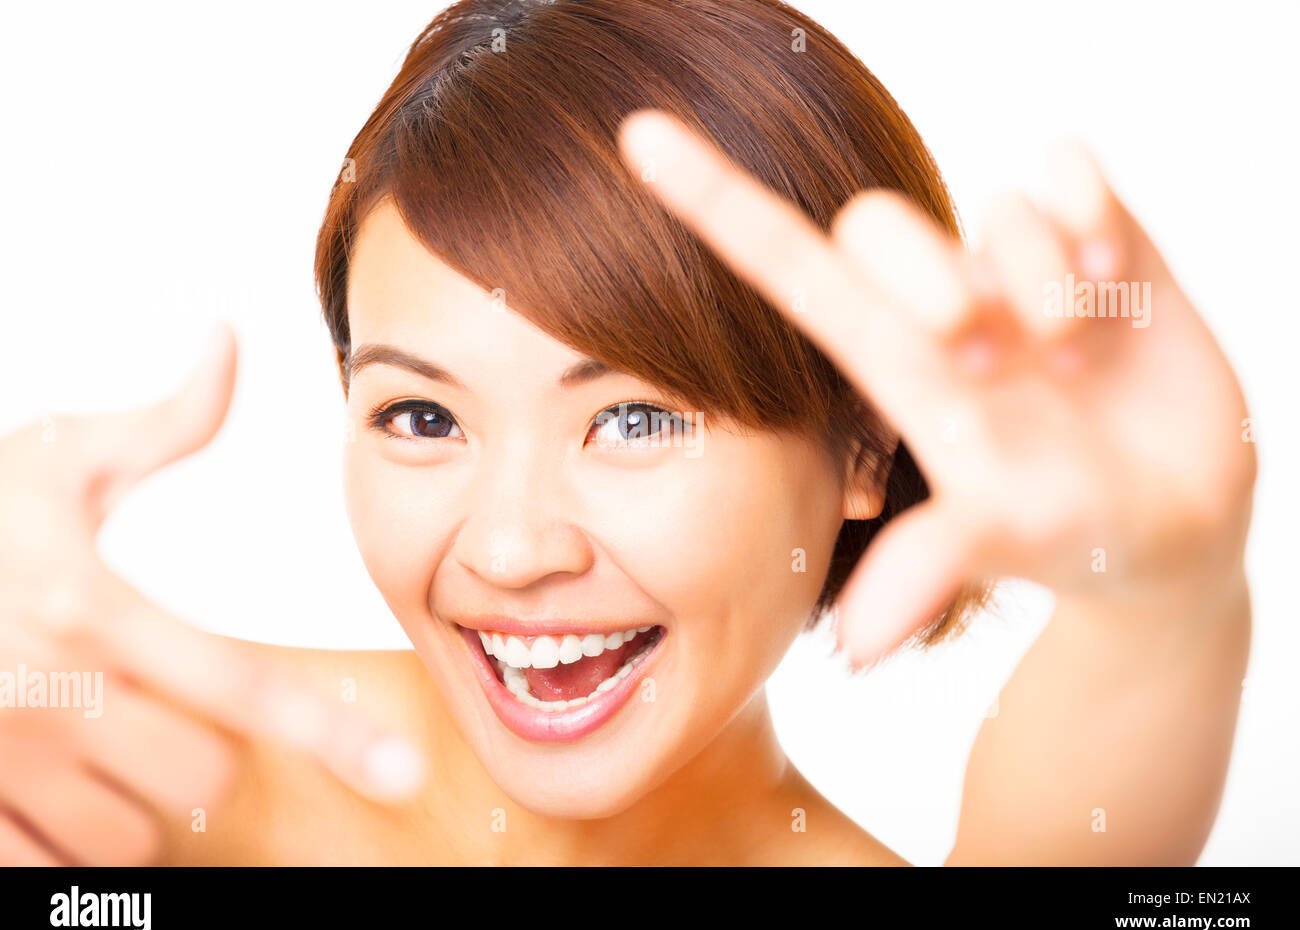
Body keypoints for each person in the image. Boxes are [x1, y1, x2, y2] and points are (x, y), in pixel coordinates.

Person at [0, 0, 1254, 865]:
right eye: (422, 414)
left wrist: (1165, 598)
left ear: (866, 449)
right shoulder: (109, 774)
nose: (510, 544)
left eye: (636, 416)